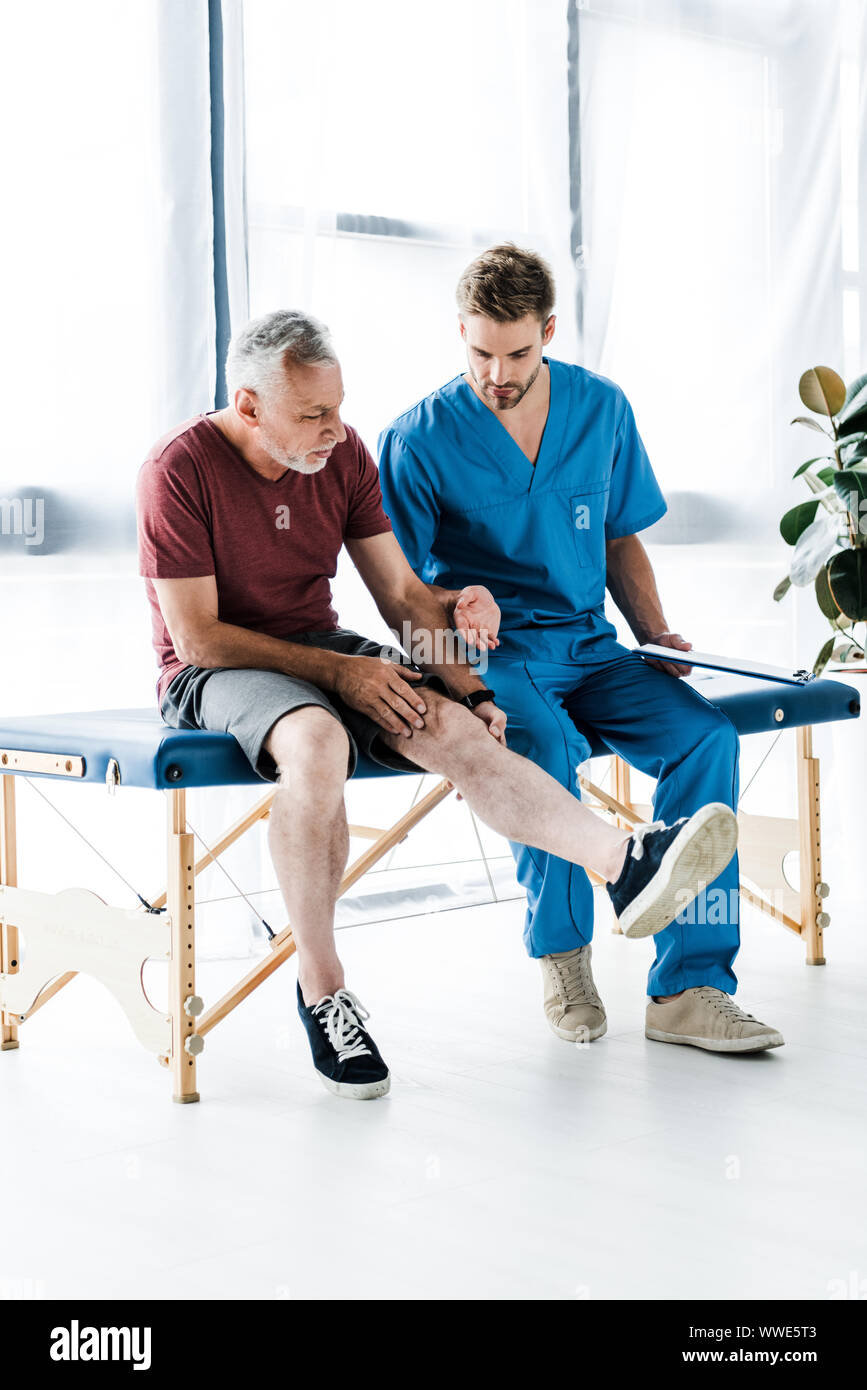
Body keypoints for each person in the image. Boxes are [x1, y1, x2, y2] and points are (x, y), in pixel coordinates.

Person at [136, 309, 739, 1102]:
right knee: (316, 743)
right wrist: (344, 678)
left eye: (338, 406)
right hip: (218, 669)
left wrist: (470, 689)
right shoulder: (179, 467)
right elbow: (201, 637)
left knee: (460, 732)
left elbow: (403, 598)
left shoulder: (343, 454)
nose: (333, 428)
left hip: (318, 643)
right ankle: (323, 992)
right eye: (312, 414)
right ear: (249, 407)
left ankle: (625, 866)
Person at [378, 245, 783, 1055]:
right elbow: (398, 595)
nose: (497, 371)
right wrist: (455, 680)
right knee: (547, 747)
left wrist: (655, 635)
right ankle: (564, 958)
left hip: (592, 644)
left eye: (517, 352)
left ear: (549, 333)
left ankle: (689, 986)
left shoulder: (601, 409)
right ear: (459, 333)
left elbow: (618, 536)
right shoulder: (414, 439)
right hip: (495, 657)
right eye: (480, 352)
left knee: (705, 737)